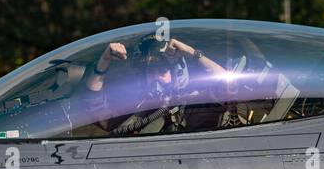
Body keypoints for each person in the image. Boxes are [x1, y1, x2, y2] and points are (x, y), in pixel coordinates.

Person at [83, 35, 228, 135]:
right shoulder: (136, 112)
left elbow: (227, 85)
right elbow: (95, 110)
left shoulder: (194, 107)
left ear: (177, 74)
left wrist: (189, 51)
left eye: (162, 70)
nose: (156, 77)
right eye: (150, 72)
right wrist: (105, 59)